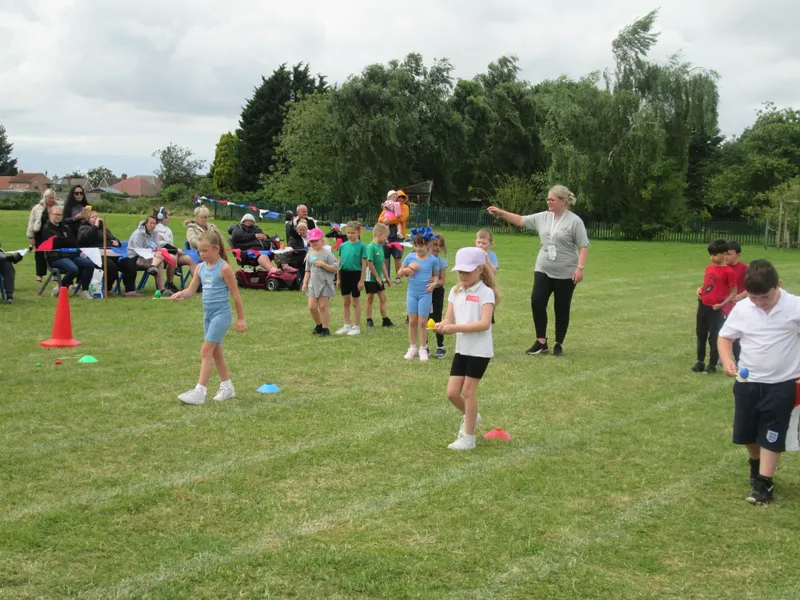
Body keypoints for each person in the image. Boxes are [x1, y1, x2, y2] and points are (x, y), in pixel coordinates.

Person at [718, 259, 800, 506]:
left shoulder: (795, 307)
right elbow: (725, 336)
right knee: (746, 434)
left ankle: (765, 483)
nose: (760, 303)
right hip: (748, 382)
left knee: (771, 433)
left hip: (783, 384)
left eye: (765, 297)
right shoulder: (743, 308)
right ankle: (756, 467)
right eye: (754, 298)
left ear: (779, 285)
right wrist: (727, 359)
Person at [487, 184, 589, 357]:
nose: (548, 202)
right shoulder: (543, 217)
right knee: (537, 300)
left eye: (552, 200)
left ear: (563, 202)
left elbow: (583, 246)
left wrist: (580, 268)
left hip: (566, 271)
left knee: (561, 307)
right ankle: (541, 342)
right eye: (548, 199)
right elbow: (520, 220)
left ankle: (558, 344)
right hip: (543, 267)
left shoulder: (575, 221)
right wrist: (501, 213)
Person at [434, 247, 499, 451]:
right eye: (460, 272)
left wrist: (454, 328)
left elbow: (484, 324)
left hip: (480, 350)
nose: (462, 276)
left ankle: (468, 437)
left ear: (480, 269)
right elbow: (448, 318)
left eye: (467, 272)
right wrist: (441, 325)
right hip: (462, 349)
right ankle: (473, 415)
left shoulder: (486, 293)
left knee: (468, 391)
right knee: (452, 393)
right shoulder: (455, 292)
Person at [172, 229, 247, 405]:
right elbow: (191, 290)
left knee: (206, 351)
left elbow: (236, 295)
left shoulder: (225, 268)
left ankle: (200, 392)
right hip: (208, 315)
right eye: (199, 251)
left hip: (221, 315)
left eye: (205, 250)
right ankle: (227, 388)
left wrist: (241, 318)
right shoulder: (200, 268)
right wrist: (180, 294)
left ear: (216, 248)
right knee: (216, 353)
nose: (202, 254)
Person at [692, 239, 737, 374]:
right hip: (703, 305)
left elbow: (734, 292)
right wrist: (699, 290)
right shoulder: (709, 268)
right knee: (701, 335)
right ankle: (700, 362)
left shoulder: (728, 272)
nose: (712, 258)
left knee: (714, 337)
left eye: (715, 255)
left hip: (716, 309)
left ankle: (712, 365)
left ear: (724, 254)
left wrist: (722, 304)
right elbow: (707, 286)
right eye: (711, 254)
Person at [398, 231, 439, 360]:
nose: (418, 248)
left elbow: (436, 276)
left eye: (421, 246)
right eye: (416, 246)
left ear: (427, 245)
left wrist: (434, 284)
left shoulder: (433, 259)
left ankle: (423, 348)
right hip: (412, 292)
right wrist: (406, 270)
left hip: (425, 293)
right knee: (412, 321)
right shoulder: (410, 258)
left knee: (422, 322)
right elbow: (399, 273)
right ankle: (412, 347)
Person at [40, 206, 95, 299]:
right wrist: (64, 241)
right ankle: (62, 288)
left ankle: (84, 290)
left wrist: (61, 240)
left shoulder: (65, 227)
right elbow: (54, 244)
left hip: (71, 255)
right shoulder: (46, 228)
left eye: (60, 215)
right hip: (55, 257)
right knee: (73, 269)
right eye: (56, 214)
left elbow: (73, 242)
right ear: (50, 215)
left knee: (89, 264)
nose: (58, 216)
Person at [77, 211, 124, 295]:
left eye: (97, 216)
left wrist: (117, 242)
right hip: (94, 255)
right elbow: (86, 238)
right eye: (93, 217)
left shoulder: (104, 229)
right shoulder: (84, 228)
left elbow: (113, 238)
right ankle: (106, 288)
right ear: (88, 219)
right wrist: (95, 226)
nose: (96, 218)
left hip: (110, 253)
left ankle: (126, 289)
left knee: (125, 264)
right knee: (110, 267)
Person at [302, 227, 338, 337]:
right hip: (313, 284)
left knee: (323, 306)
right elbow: (307, 271)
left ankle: (325, 328)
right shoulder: (310, 254)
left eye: (316, 240)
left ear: (322, 240)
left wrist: (323, 264)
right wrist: (305, 283)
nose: (313, 243)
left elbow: (335, 268)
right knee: (312, 307)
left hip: (325, 283)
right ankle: (319, 325)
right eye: (311, 241)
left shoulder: (327, 254)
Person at [125, 216, 172, 297]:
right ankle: (160, 285)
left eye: (154, 223)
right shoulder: (138, 234)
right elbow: (138, 250)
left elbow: (156, 245)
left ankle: (162, 289)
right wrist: (152, 250)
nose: (153, 225)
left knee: (160, 261)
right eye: (151, 223)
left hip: (149, 255)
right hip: (135, 256)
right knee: (159, 260)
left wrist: (153, 251)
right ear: (146, 223)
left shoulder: (155, 232)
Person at [335, 221, 367, 336]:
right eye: (348, 232)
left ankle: (356, 326)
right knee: (345, 302)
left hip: (356, 274)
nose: (349, 235)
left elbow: (364, 264)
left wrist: (361, 280)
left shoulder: (362, 246)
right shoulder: (343, 246)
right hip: (345, 274)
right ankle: (346, 325)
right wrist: (338, 278)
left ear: (358, 232)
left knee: (355, 301)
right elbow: (340, 262)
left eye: (352, 233)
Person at [154, 207, 197, 293]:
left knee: (190, 259)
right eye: (167, 215)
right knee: (174, 256)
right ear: (161, 217)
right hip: (161, 255)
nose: (169, 217)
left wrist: (176, 250)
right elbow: (161, 244)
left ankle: (196, 285)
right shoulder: (156, 228)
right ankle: (170, 284)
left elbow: (168, 243)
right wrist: (176, 250)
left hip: (171, 252)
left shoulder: (167, 229)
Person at [364, 223, 394, 328]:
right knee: (370, 298)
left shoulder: (380, 247)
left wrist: (386, 278)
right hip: (370, 278)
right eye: (386, 236)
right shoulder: (371, 247)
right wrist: (376, 277)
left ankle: (385, 320)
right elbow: (369, 263)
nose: (386, 238)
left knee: (383, 298)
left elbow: (382, 264)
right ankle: (369, 319)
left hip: (379, 279)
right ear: (379, 234)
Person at [27, 188, 60, 283]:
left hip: (54, 234)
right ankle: (39, 275)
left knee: (55, 254)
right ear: (45, 198)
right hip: (40, 234)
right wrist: (31, 237)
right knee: (39, 255)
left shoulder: (59, 207)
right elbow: (31, 222)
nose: (51, 200)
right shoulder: (37, 208)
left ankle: (55, 274)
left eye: (53, 198)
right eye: (49, 198)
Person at [723, 240, 749, 365]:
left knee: (737, 334)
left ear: (738, 255)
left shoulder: (744, 269)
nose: (726, 257)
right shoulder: (721, 268)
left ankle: (740, 359)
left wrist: (740, 296)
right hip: (723, 306)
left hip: (737, 306)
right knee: (722, 332)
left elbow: (750, 287)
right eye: (724, 254)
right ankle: (723, 357)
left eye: (729, 254)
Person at [379, 189, 409, 283]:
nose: (399, 199)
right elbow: (380, 218)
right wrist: (384, 220)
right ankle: (385, 277)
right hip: (386, 236)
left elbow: (401, 218)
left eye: (402, 197)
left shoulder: (404, 207)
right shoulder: (389, 205)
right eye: (398, 197)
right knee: (385, 257)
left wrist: (388, 220)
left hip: (398, 236)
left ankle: (398, 277)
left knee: (397, 257)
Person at [429, 234, 448, 358]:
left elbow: (442, 281)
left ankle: (440, 346)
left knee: (437, 318)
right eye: (435, 244)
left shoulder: (442, 262)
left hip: (437, 292)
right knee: (423, 318)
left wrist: (435, 282)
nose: (437, 248)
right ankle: (423, 346)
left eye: (440, 246)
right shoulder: (423, 258)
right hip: (424, 292)